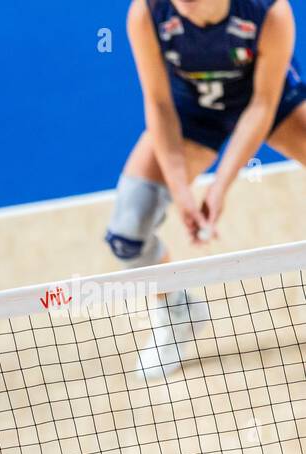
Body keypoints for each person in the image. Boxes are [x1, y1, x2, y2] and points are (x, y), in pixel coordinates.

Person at [107, 0, 306, 377]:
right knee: (127, 235)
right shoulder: (147, 13)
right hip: (193, 111)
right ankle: (178, 312)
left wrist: (219, 188)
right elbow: (159, 105)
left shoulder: (270, 11)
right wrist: (182, 191)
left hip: (268, 100)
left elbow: (262, 105)